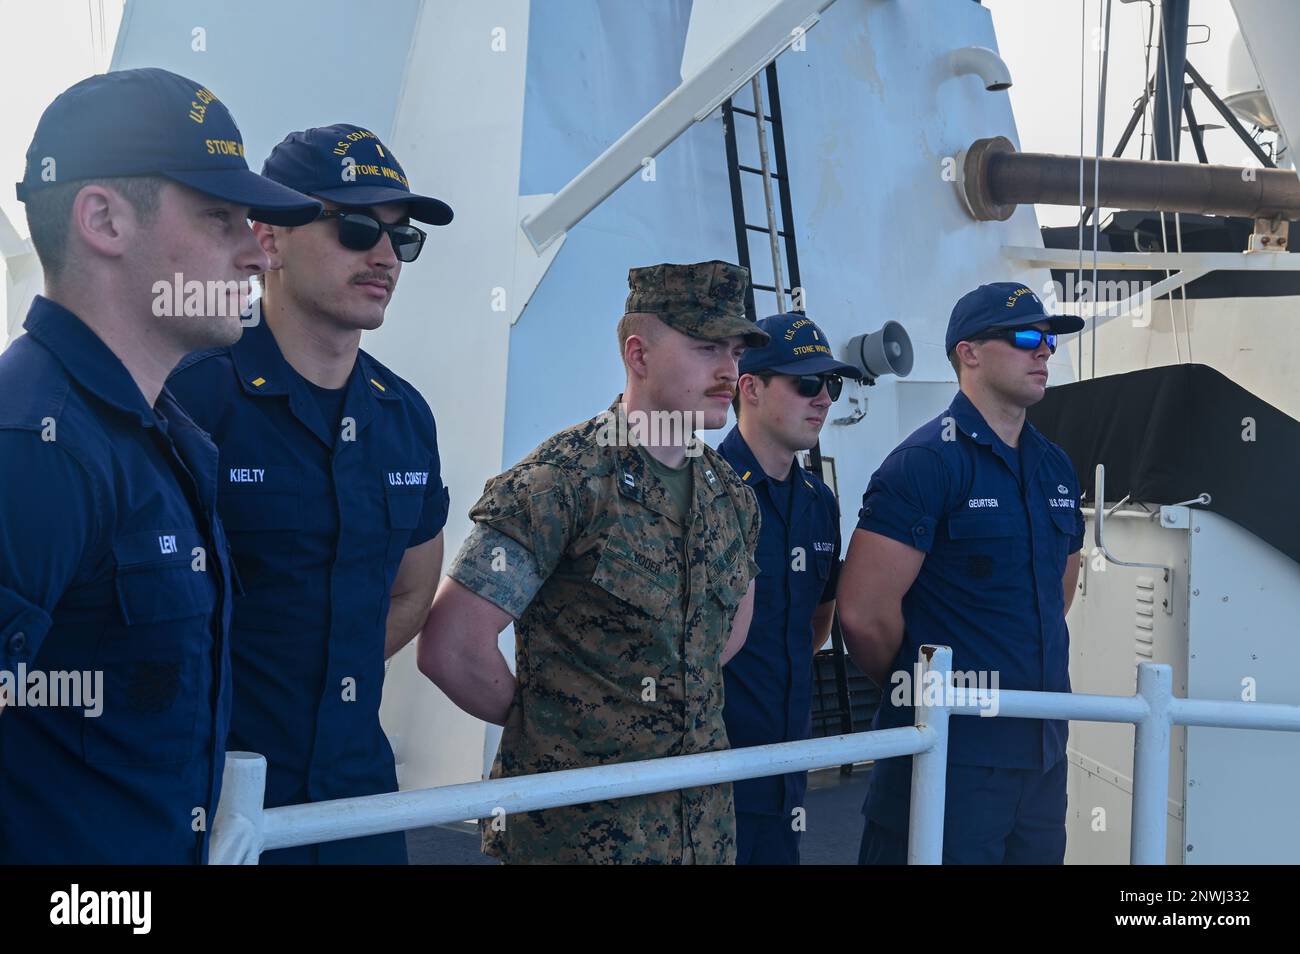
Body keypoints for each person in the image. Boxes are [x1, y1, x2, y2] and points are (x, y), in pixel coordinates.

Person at [0, 67, 319, 863]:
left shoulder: (163, 434)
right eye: (221, 219)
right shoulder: (33, 449)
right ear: (104, 219)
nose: (258, 254)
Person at [166, 124, 452, 864]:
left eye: (402, 237)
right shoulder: (190, 397)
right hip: (209, 802)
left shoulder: (404, 416)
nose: (386, 255)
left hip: (356, 800)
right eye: (356, 228)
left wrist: (326, 678)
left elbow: (410, 595)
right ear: (270, 237)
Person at [419, 260, 768, 863]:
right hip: (576, 837)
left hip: (699, 832)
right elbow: (452, 646)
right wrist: (559, 729)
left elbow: (725, 636)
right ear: (639, 355)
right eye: (707, 347)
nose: (728, 371)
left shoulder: (730, 496)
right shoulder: (559, 484)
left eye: (735, 352)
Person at [837, 282, 1086, 864]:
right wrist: (923, 691)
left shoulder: (1055, 467)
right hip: (953, 755)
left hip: (1043, 753)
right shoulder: (924, 465)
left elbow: (1058, 593)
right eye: (1026, 337)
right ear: (969, 352)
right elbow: (862, 614)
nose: (1044, 350)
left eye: (1048, 339)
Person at [718, 312, 860, 864]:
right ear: (749, 387)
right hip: (707, 775)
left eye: (832, 383)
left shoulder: (819, 503)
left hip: (786, 774)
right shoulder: (705, 492)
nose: (823, 397)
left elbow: (817, 621)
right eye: (806, 383)